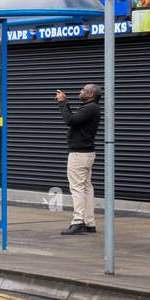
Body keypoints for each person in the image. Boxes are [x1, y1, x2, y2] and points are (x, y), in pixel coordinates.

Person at [57, 84, 102, 235]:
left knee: (77, 187)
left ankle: (78, 222)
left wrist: (62, 103)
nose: (80, 92)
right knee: (86, 188)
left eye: (83, 90)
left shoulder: (90, 108)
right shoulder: (91, 108)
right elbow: (74, 120)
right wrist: (66, 104)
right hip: (87, 153)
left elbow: (69, 120)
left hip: (79, 154)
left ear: (90, 95)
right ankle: (89, 222)